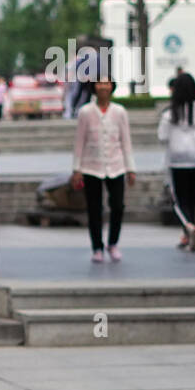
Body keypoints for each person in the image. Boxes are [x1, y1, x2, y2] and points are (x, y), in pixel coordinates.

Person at [70, 78, 137, 262]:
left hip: (116, 166)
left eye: (107, 83)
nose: (103, 87)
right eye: (99, 83)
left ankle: (113, 243)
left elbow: (126, 141)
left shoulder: (119, 112)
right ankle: (97, 247)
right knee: (94, 209)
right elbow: (79, 142)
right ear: (94, 87)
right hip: (92, 166)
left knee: (117, 206)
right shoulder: (86, 112)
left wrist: (130, 168)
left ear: (112, 87)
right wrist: (77, 169)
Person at [158, 73, 195, 251]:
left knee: (181, 198)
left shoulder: (169, 113)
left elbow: (162, 137)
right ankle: (189, 230)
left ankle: (188, 228)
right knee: (192, 196)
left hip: (177, 159)